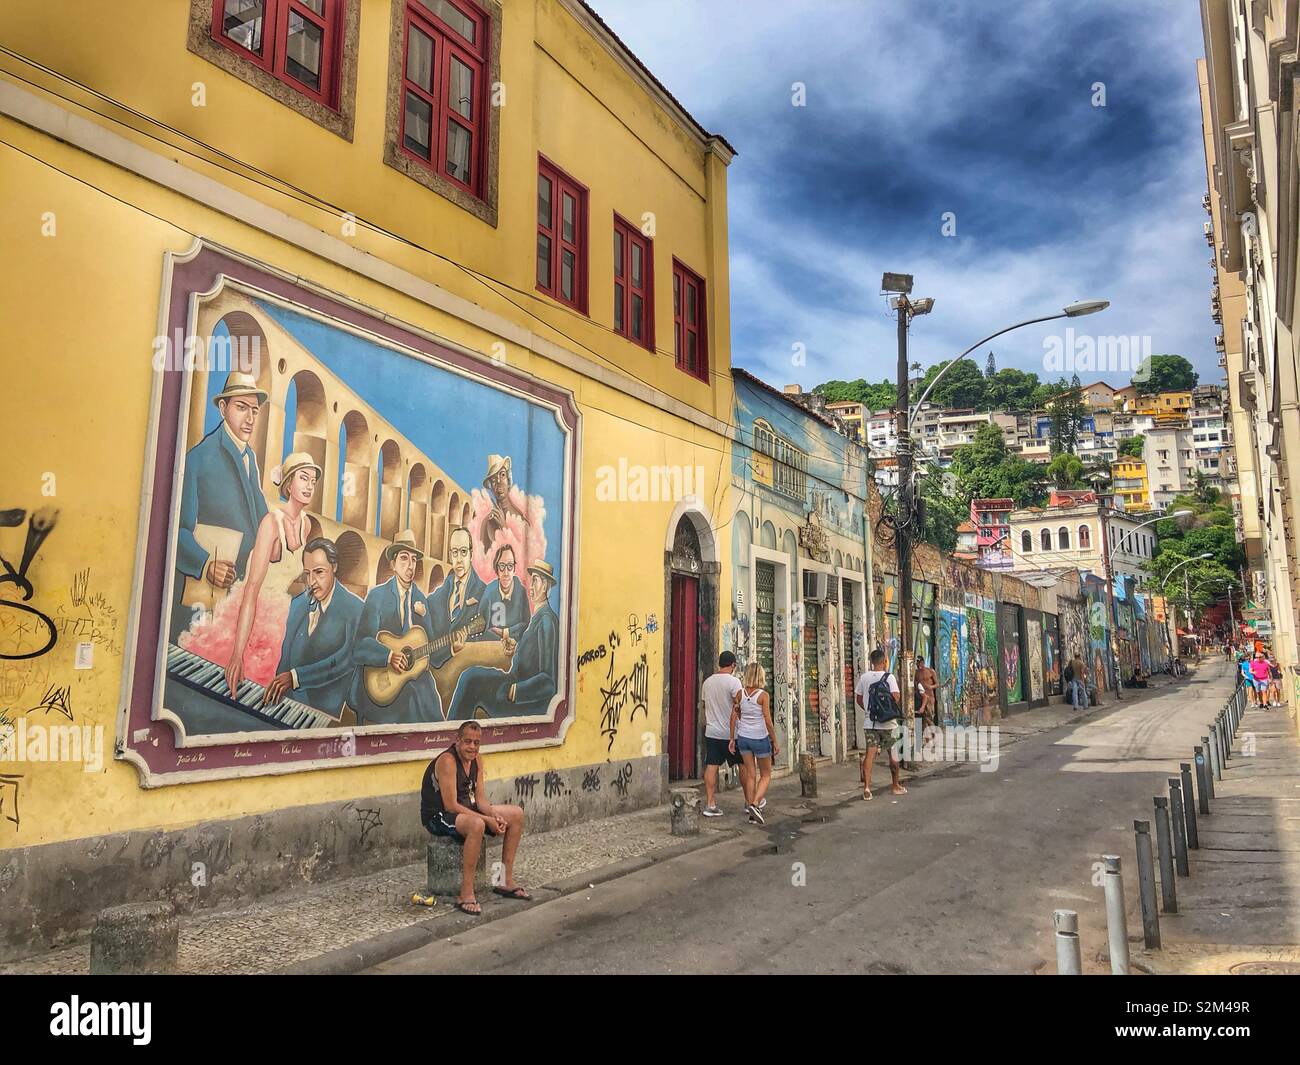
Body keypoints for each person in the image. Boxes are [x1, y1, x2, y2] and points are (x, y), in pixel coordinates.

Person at [172, 371, 269, 638]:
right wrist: (206, 564)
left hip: (236, 599)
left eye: (255, 410)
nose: (250, 419)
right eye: (241, 408)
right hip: (202, 599)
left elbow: (261, 517)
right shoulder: (199, 458)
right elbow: (177, 530)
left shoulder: (249, 457)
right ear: (223, 408)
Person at [219, 453, 321, 697]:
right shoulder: (271, 524)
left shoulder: (307, 525)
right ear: (288, 483)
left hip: (286, 625)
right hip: (256, 624)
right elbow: (251, 589)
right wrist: (237, 654)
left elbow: (298, 581)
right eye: (303, 478)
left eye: (313, 481)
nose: (309, 486)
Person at [421, 720, 529, 915]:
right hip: (439, 815)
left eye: (476, 743)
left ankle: (503, 881)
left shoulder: (477, 760)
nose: (472, 747)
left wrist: (494, 815)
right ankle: (465, 893)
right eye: (467, 741)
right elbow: (451, 805)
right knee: (477, 825)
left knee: (516, 814)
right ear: (458, 741)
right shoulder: (448, 761)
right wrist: (487, 820)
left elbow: (480, 800)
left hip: (466, 809)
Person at [265, 537, 364, 720]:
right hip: (288, 706)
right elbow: (285, 657)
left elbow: (346, 659)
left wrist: (295, 678)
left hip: (324, 713)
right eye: (307, 574)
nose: (312, 582)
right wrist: (275, 700)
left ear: (334, 567)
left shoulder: (356, 609)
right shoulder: (297, 604)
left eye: (319, 572)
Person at [350, 531, 442, 724]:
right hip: (380, 679)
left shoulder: (421, 600)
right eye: (404, 558)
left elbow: (432, 649)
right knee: (414, 697)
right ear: (392, 564)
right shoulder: (377, 596)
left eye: (414, 560)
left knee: (426, 690)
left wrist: (425, 619)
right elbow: (360, 646)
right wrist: (389, 656)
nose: (410, 566)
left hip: (412, 679)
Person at [448, 560, 559, 719]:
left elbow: (548, 682)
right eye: (531, 580)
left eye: (535, 580)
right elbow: (531, 655)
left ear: (546, 586)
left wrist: (516, 691)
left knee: (471, 681)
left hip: (523, 698)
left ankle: (454, 732)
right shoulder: (539, 617)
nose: (531, 586)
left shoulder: (546, 620)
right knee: (470, 676)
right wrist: (516, 647)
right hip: (513, 683)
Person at [729, 661, 778, 824]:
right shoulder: (763, 695)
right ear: (761, 676)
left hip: (743, 738)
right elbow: (768, 720)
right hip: (760, 738)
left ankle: (751, 813)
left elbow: (735, 715)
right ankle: (756, 804)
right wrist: (774, 740)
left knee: (750, 775)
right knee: (766, 774)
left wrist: (731, 738)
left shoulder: (740, 694)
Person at [855, 648, 906, 801]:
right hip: (888, 724)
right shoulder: (889, 678)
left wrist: (871, 711)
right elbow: (896, 697)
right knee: (893, 755)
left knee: (869, 755)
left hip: (870, 723)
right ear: (884, 661)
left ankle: (867, 788)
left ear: (871, 662)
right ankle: (895, 785)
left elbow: (858, 699)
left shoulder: (864, 678)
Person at [700, 651, 745, 818]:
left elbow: (705, 705)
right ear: (733, 665)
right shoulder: (734, 682)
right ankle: (750, 803)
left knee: (711, 765)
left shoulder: (707, 682)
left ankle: (710, 803)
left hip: (712, 732)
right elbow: (740, 705)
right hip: (732, 733)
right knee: (744, 765)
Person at [478, 454, 531, 554]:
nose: (498, 482)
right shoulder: (486, 522)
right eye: (493, 480)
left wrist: (504, 527)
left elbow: (524, 558)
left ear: (509, 480)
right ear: (491, 488)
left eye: (502, 475)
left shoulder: (521, 520)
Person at [478, 544, 531, 644]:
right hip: (493, 648)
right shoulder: (489, 592)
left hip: (516, 649)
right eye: (502, 566)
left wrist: (505, 633)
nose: (506, 573)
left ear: (514, 569)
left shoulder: (521, 592)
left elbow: (526, 623)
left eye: (510, 566)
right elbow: (482, 628)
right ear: (496, 569)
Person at [915, 657, 937, 730]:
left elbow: (937, 684)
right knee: (922, 719)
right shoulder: (916, 673)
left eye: (921, 662)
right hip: (921, 697)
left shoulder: (930, 671)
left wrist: (931, 686)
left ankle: (934, 734)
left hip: (930, 697)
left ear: (923, 662)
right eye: (918, 663)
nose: (919, 664)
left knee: (929, 717)